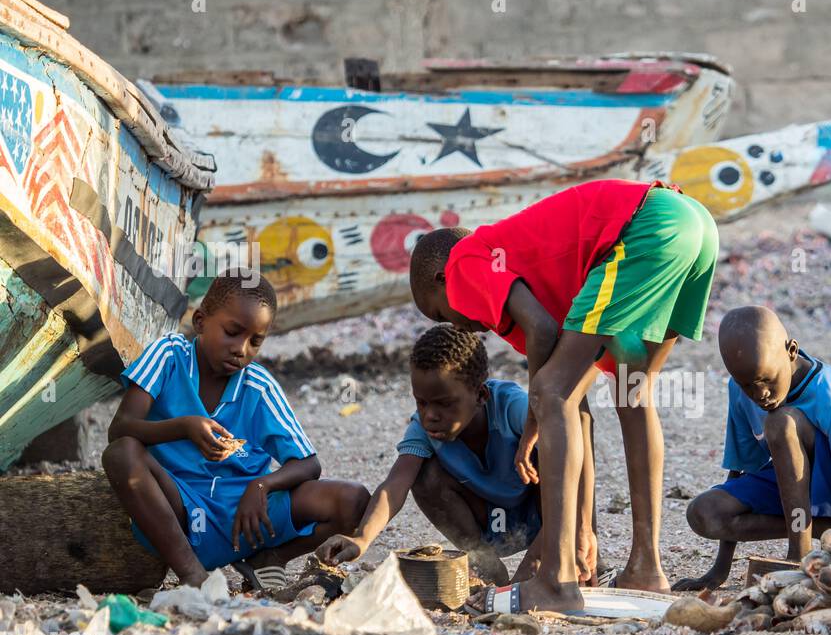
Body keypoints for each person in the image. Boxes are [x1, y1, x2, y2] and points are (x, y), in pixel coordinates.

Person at [409, 179, 718, 613]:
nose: (458, 327)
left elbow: (545, 351)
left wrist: (536, 413)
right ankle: (646, 568)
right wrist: (581, 527)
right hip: (695, 224)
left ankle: (555, 580)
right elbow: (578, 412)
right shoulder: (548, 286)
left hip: (646, 224)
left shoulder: (466, 259)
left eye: (442, 312)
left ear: (442, 278)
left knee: (551, 392)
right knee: (632, 394)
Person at [102, 274, 368, 589]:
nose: (241, 349)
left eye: (256, 340)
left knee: (354, 500)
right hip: (182, 507)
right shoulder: (169, 356)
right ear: (200, 321)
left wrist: (261, 486)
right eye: (232, 332)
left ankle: (269, 559)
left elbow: (309, 465)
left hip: (248, 515)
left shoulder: (259, 386)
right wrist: (184, 427)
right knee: (122, 454)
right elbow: (120, 429)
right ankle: (192, 573)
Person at [674, 305, 831, 590]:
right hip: (800, 485)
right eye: (748, 386)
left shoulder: (829, 395)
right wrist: (718, 571)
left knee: (781, 422)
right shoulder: (740, 391)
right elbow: (740, 472)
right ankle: (818, 530)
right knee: (705, 513)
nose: (761, 395)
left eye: (767, 381)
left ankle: (799, 555)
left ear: (791, 350)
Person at [315, 325, 553, 585]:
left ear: (481, 395)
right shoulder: (424, 428)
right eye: (422, 402)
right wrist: (361, 538)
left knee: (549, 458)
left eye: (444, 404)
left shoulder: (513, 406)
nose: (430, 415)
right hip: (488, 523)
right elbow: (395, 484)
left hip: (544, 517)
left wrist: (536, 561)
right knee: (424, 475)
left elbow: (568, 470)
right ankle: (484, 563)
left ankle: (553, 553)